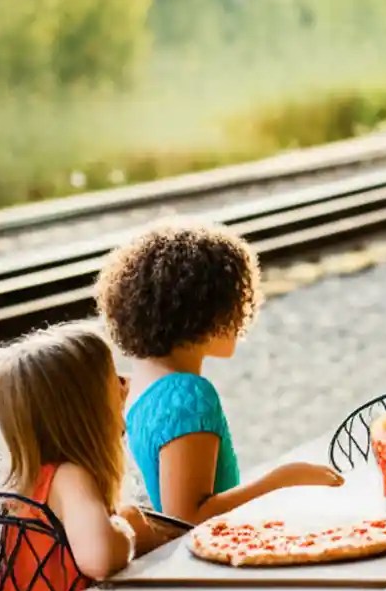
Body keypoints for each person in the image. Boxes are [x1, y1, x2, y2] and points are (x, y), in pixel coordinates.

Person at [95, 220, 343, 525]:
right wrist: (282, 478)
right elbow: (187, 519)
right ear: (204, 312)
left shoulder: (137, 384)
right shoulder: (187, 395)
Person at [0, 322, 171, 591]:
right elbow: (99, 559)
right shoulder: (70, 477)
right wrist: (127, 527)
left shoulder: (33, 479)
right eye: (115, 378)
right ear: (88, 410)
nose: (127, 382)